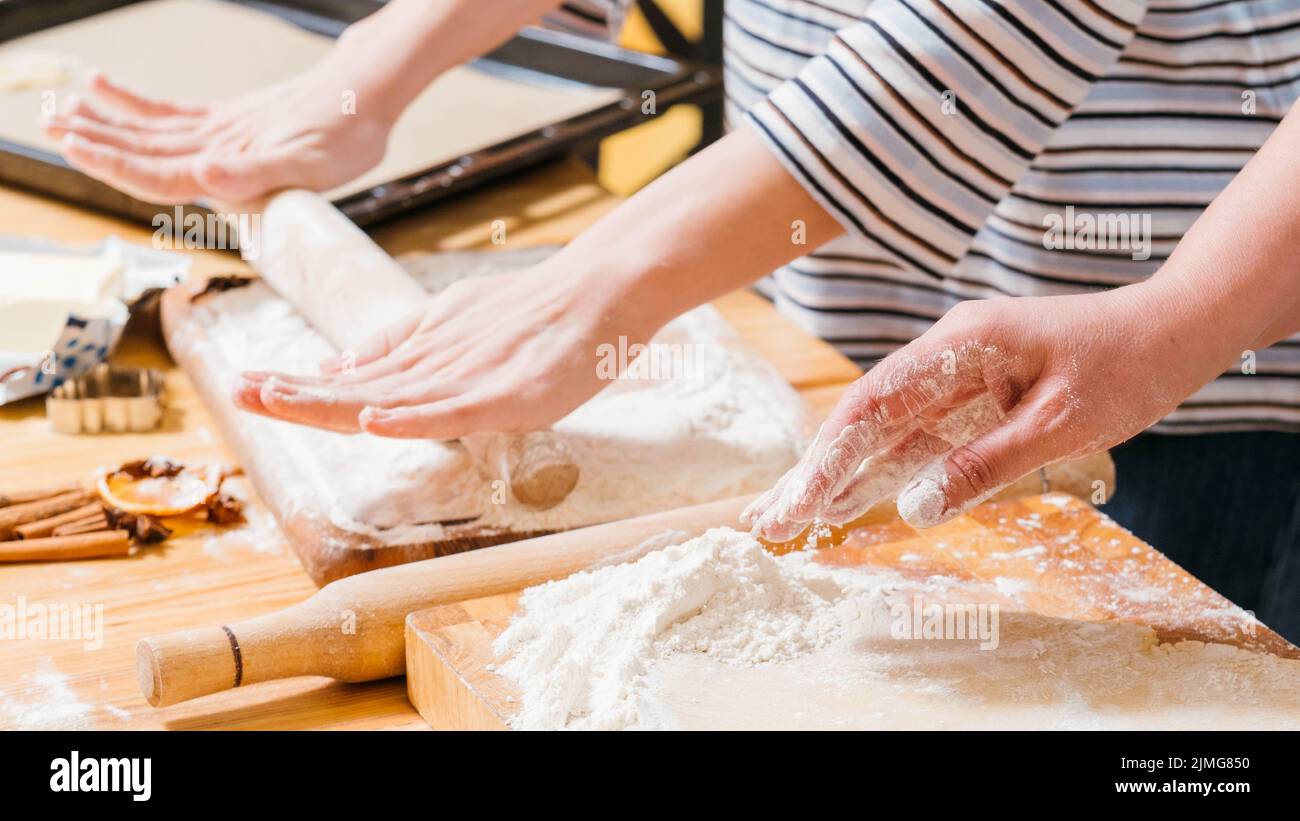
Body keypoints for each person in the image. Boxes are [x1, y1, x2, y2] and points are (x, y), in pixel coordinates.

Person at [45, 0, 1300, 638]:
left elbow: (992, 29)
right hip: (840, 335)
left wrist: (1185, 314)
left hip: (1198, 379)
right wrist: (371, 71)